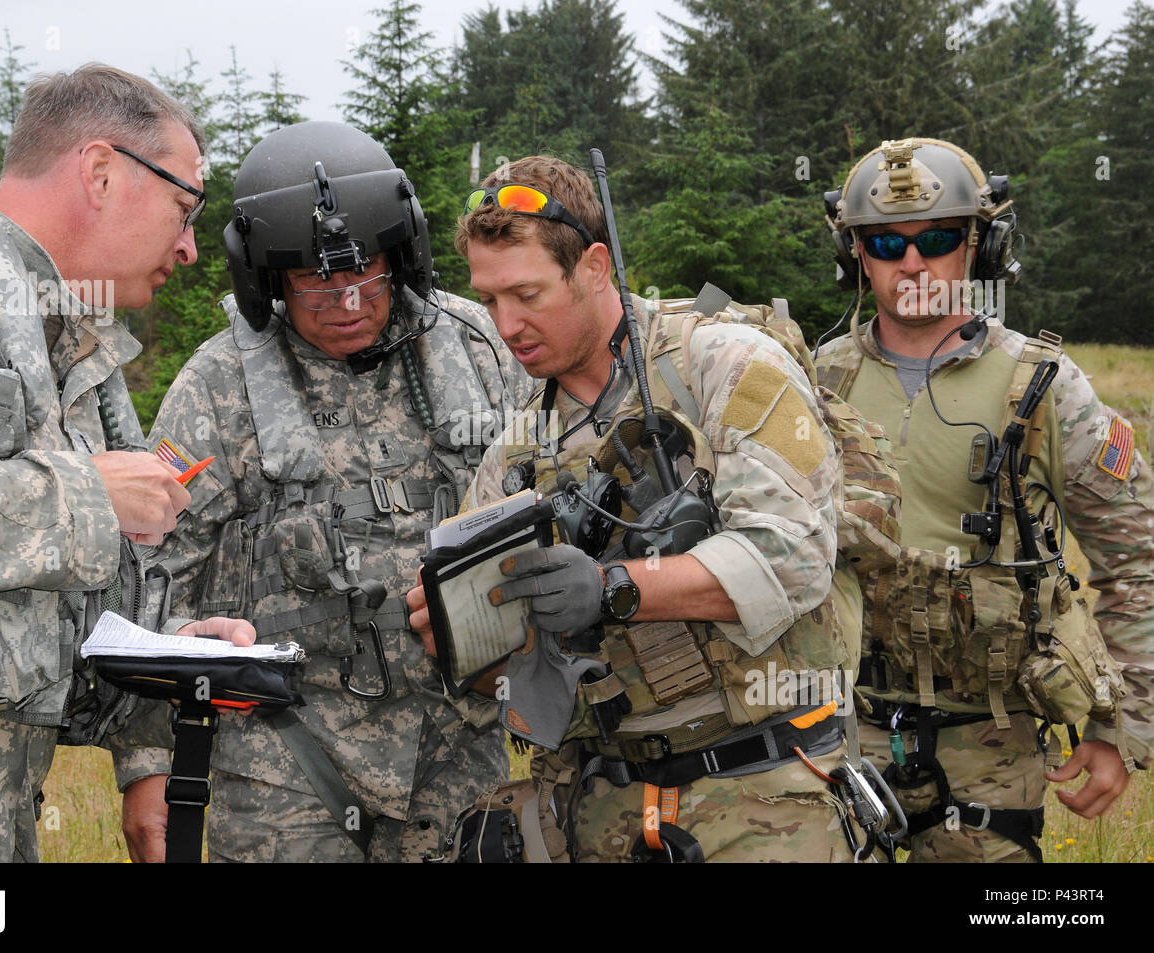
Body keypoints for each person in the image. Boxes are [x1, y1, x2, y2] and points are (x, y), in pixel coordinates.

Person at [410, 154, 863, 862]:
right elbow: (494, 674)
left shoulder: (724, 365)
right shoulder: (520, 448)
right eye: (490, 299)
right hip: (603, 805)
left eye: (526, 293)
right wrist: (455, 631)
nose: (506, 323)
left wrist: (610, 589)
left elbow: (794, 557)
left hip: (761, 792)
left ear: (594, 266)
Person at [0, 63, 252, 864]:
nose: (188, 246)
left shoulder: (56, 352)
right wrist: (89, 492)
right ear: (101, 172)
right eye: (184, 206)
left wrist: (166, 651)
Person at [143, 121, 532, 862]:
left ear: (404, 256)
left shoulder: (479, 350)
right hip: (279, 760)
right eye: (317, 281)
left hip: (459, 754)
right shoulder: (218, 385)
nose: (349, 301)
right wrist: (143, 765)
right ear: (266, 279)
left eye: (369, 274)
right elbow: (158, 575)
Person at [818, 136, 1154, 862]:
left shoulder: (1043, 386)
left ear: (982, 245)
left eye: (937, 238)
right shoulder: (815, 382)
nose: (912, 262)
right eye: (885, 242)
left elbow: (1137, 563)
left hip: (991, 745)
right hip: (836, 738)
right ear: (856, 256)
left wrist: (1121, 732)